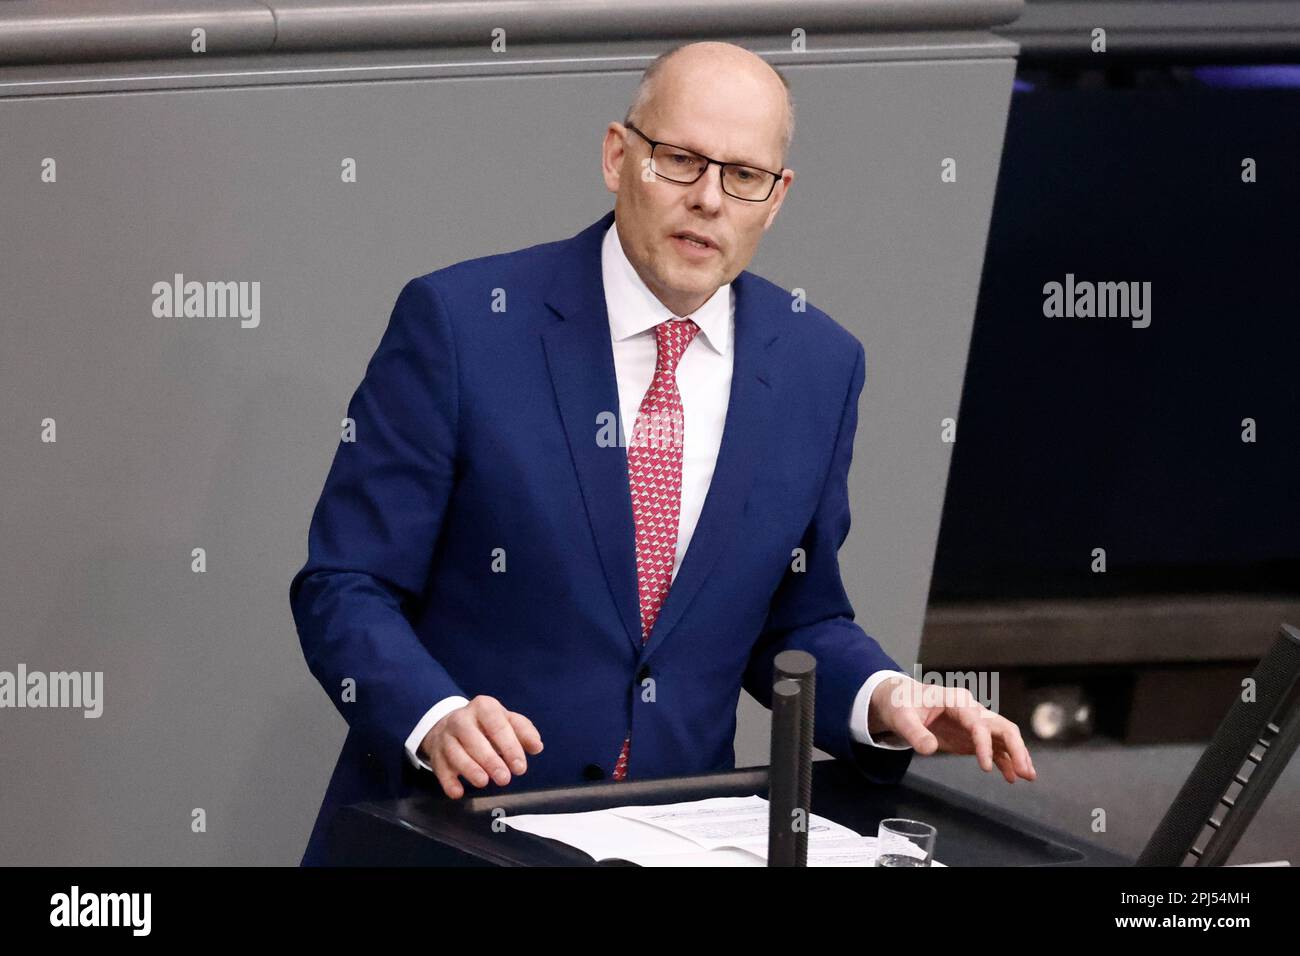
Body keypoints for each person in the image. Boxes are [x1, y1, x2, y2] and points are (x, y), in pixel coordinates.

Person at [289, 40, 1034, 866]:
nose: (710, 199)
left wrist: (884, 698)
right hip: (453, 832)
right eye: (680, 160)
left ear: (776, 198)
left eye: (743, 176)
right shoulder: (465, 324)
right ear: (618, 156)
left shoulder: (820, 366)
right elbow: (346, 584)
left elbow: (797, 613)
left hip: (675, 840)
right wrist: (432, 718)